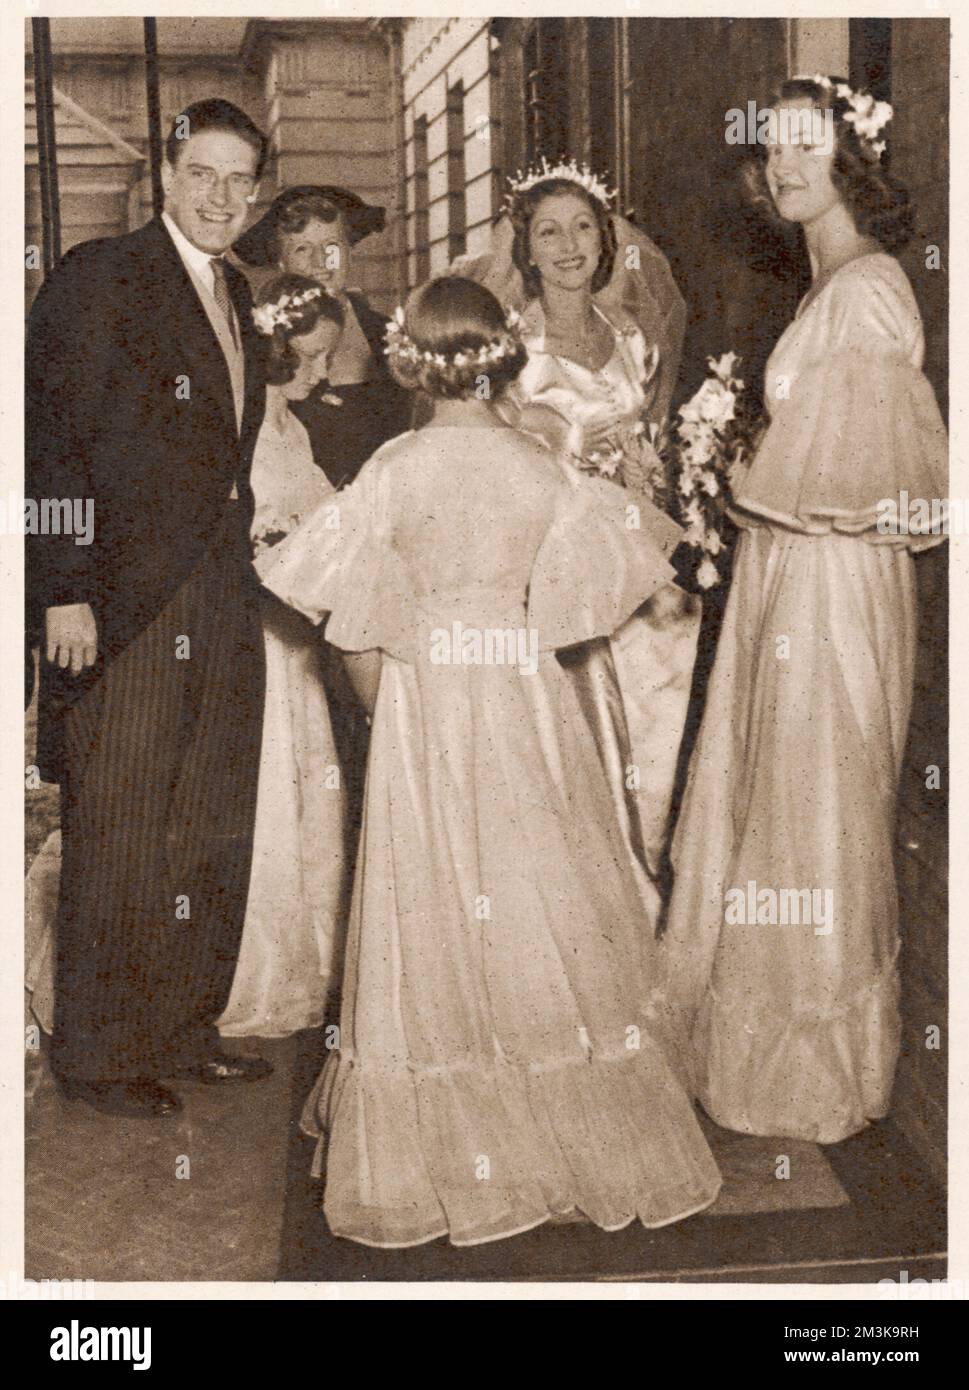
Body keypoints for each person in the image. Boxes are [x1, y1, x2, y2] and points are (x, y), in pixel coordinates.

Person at [257, 275, 721, 1249]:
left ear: (410, 360)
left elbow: (352, 618)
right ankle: (561, 1131)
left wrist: (388, 708)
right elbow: (584, 598)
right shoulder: (537, 464)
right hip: (520, 696)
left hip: (426, 695)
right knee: (535, 890)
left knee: (430, 893)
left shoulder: (392, 466)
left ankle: (450, 1144)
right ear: (499, 357)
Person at [660, 77, 948, 1143]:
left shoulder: (867, 289)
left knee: (814, 793)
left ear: (852, 165)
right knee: (774, 784)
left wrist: (743, 468)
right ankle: (752, 1035)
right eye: (773, 148)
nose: (783, 166)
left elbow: (863, 476)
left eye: (807, 149)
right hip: (792, 569)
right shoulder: (825, 280)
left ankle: (808, 1064)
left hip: (830, 582)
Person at [26, 98, 274, 1118]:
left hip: (219, 590)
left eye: (238, 181)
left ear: (256, 196)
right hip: (122, 601)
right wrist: (65, 588)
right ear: (167, 175)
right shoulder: (102, 276)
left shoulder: (236, 287)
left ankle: (181, 1026)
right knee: (122, 824)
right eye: (202, 174)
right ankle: (98, 1051)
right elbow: (47, 444)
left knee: (208, 820)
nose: (220, 197)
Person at [453, 161, 699, 914]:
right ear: (523, 249)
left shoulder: (632, 334)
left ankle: (644, 893)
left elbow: (653, 439)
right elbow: (483, 463)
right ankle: (585, 908)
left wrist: (652, 478)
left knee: (653, 738)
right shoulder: (506, 346)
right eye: (547, 232)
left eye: (582, 228)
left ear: (607, 240)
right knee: (578, 737)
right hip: (548, 565)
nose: (567, 246)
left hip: (638, 565)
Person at [234, 184, 411, 489]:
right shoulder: (259, 340)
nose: (320, 262)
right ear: (281, 262)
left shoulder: (387, 334)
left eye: (331, 247)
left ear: (349, 252)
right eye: (302, 249)